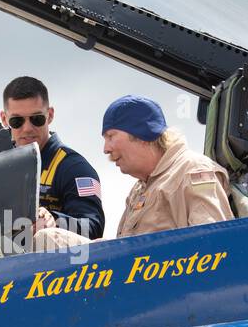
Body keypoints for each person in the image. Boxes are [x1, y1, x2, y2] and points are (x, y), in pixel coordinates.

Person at [36, 95, 233, 250]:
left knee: (47, 239)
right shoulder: (140, 189)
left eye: (111, 136)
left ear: (143, 135)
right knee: (46, 239)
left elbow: (216, 245)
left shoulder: (193, 171)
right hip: (135, 282)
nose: (106, 148)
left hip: (165, 288)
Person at [0, 76, 106, 241]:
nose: (27, 128)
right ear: (4, 120)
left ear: (50, 115)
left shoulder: (75, 168)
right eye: (17, 121)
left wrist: (54, 221)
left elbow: (93, 227)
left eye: (37, 119)